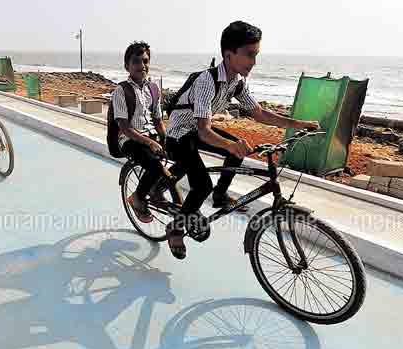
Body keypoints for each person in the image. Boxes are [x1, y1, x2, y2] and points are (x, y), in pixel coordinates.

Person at [163, 21, 320, 259]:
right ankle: (175, 228)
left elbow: (260, 113)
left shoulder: (237, 82)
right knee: (202, 184)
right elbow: (204, 131)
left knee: (236, 147)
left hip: (196, 132)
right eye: (249, 54)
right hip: (179, 135)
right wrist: (230, 145)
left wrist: (298, 124)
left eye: (256, 55)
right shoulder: (207, 80)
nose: (254, 62)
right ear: (229, 55)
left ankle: (220, 195)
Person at [111, 41, 167, 224]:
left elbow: (158, 120)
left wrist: (166, 139)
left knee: (183, 156)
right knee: (154, 166)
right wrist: (149, 142)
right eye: (136, 61)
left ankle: (156, 188)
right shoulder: (121, 91)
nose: (142, 65)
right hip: (130, 139)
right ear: (127, 66)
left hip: (151, 135)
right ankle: (136, 198)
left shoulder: (154, 89)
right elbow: (125, 127)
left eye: (145, 61)